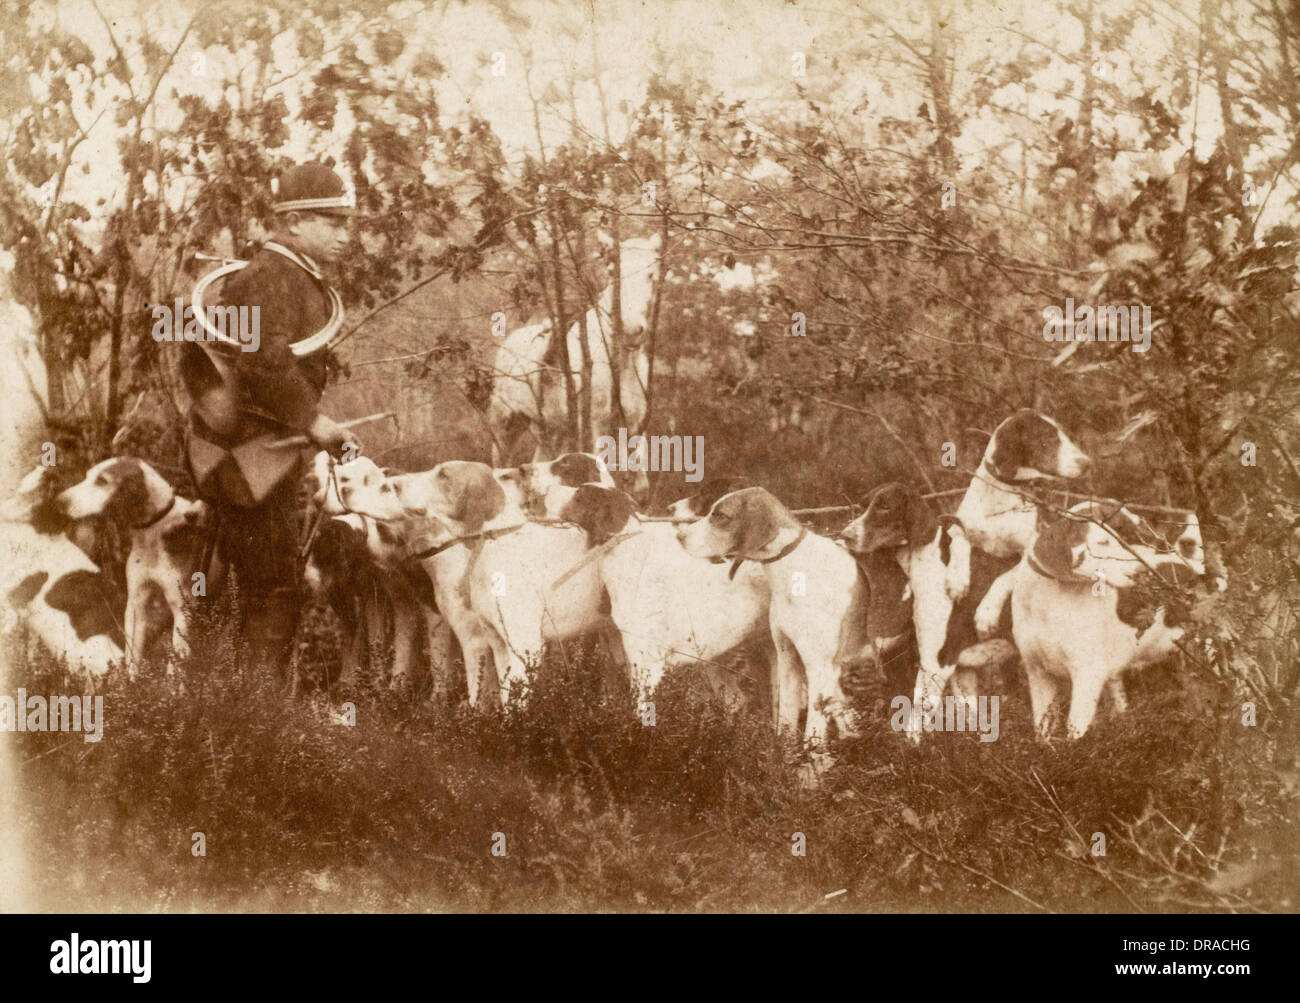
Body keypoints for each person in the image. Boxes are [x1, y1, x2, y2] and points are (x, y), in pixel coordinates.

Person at [181, 162, 360, 678]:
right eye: (333, 221)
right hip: (244, 464)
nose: (345, 234)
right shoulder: (269, 276)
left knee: (253, 584)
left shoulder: (292, 276)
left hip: (262, 462)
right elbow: (263, 359)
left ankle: (238, 709)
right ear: (296, 222)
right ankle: (257, 721)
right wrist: (316, 423)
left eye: (345, 222)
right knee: (274, 587)